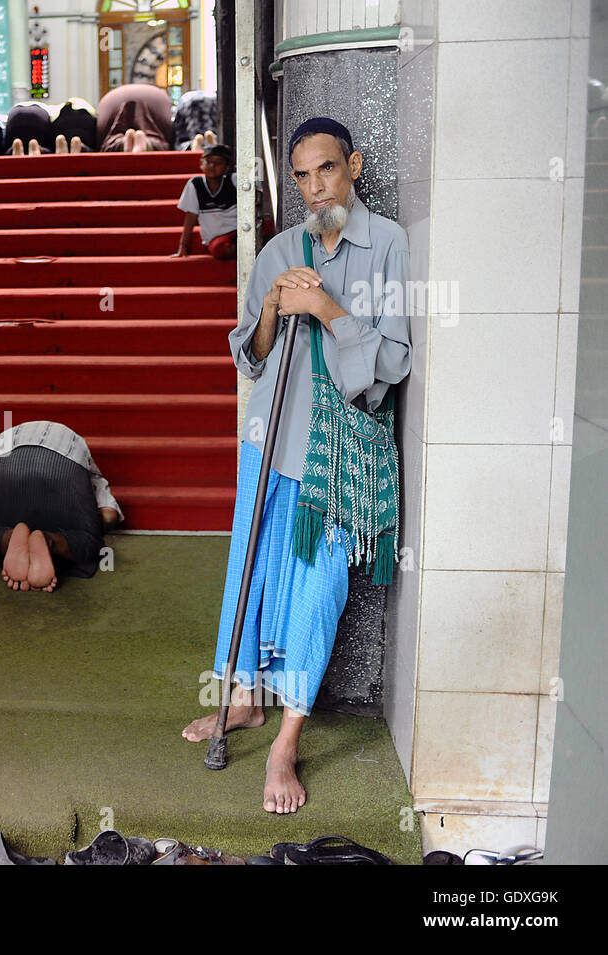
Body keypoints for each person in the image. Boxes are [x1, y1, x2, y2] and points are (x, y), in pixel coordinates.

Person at [179, 117, 411, 815]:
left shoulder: (389, 243)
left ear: (354, 166)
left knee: (317, 588)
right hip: (268, 438)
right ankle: (244, 699)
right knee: (251, 568)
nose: (315, 188)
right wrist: (278, 306)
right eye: (303, 175)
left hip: (336, 453)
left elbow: (394, 359)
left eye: (328, 170)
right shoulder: (281, 247)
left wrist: (328, 308)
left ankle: (287, 739)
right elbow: (247, 353)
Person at [0, 421, 122, 592]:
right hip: (64, 459)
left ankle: (10, 536)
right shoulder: (87, 466)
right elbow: (109, 515)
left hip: (5, 455)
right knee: (89, 541)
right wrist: (93, 526)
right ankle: (48, 540)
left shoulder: (2, 448)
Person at [175, 144, 238, 260]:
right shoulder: (195, 184)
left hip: (238, 232)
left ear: (227, 167)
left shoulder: (234, 180)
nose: (212, 166)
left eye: (218, 163)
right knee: (221, 249)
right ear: (201, 164)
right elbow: (191, 216)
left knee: (269, 225)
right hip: (217, 238)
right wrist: (183, 246)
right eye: (208, 162)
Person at [96, 83, 173, 152]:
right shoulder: (160, 94)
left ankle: (122, 143)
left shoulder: (111, 95)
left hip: (113, 100)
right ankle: (147, 144)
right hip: (155, 99)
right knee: (156, 135)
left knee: (112, 138)